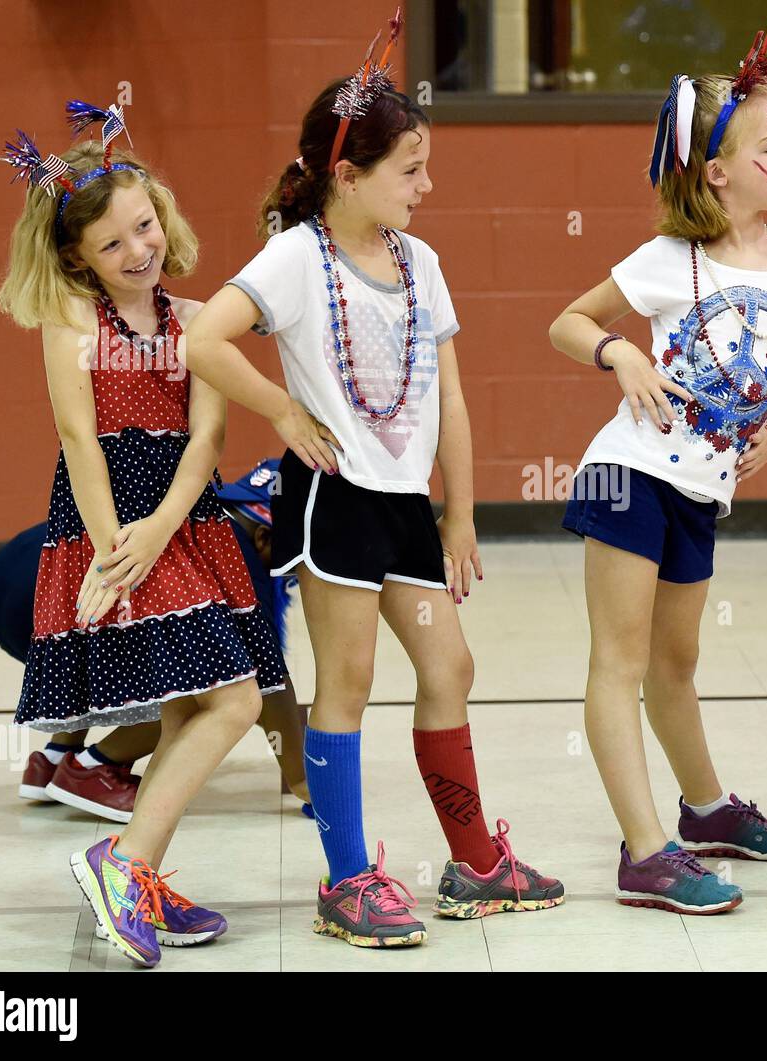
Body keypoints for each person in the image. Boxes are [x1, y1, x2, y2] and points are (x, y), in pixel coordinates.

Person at [182, 8, 563, 948]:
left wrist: (462, 512)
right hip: (335, 502)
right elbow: (203, 337)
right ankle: (347, 879)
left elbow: (454, 398)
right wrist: (280, 412)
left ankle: (475, 867)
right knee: (346, 679)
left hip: (407, 510)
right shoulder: (295, 257)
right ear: (346, 175)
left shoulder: (418, 260)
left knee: (451, 666)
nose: (426, 186)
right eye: (411, 170)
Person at [548, 12, 767, 914]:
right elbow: (568, 322)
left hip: (700, 489)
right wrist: (618, 354)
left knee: (678, 659)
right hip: (625, 473)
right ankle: (644, 854)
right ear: (716, 172)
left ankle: (706, 810)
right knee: (619, 663)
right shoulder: (670, 259)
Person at [0, 100, 287, 966]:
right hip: (110, 528)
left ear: (164, 215)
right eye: (113, 244)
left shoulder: (200, 319)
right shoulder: (73, 323)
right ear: (76, 258)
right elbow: (80, 440)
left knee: (198, 704)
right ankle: (120, 862)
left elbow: (208, 440)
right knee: (234, 700)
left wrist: (163, 528)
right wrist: (116, 549)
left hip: (182, 525)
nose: (138, 251)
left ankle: (137, 869)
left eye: (144, 227)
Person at [0, 458, 312, 821]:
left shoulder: (204, 512)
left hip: (18, 581)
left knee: (112, 646)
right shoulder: (240, 553)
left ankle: (53, 759)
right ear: (265, 537)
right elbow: (269, 682)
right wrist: (302, 781)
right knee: (205, 685)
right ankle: (93, 769)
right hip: (55, 597)